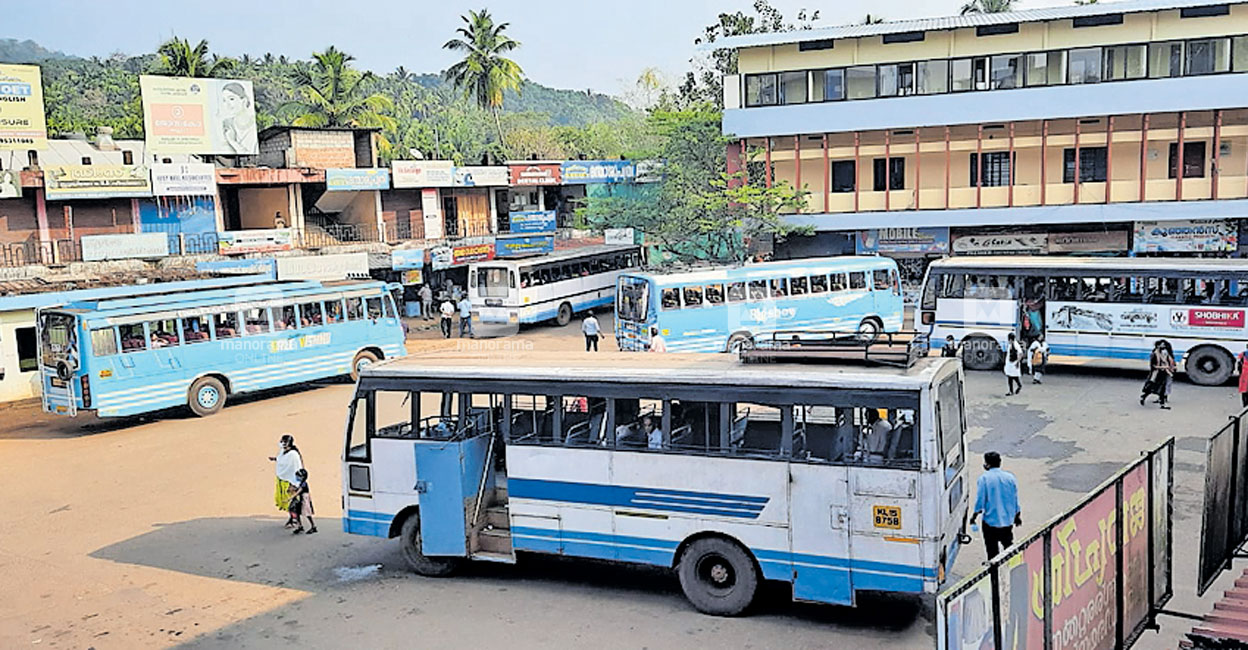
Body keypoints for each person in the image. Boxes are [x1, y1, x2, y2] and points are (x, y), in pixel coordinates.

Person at [268, 435, 303, 528]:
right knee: (287, 503)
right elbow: (282, 460)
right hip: (282, 480)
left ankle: (296, 522)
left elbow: (297, 468)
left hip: (290, 482)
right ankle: (292, 520)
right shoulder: (282, 452)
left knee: (292, 503)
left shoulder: (294, 455)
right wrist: (275, 459)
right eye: (281, 441)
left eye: (284, 441)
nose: (282, 443)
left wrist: (295, 484)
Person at [220, 81, 257, 154]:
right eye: (224, 100)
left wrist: (233, 142)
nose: (227, 104)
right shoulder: (227, 125)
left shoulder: (255, 126)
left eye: (231, 99)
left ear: (244, 101)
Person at [1142, 340, 1176, 409]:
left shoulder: (1165, 354)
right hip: (1157, 374)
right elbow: (1153, 366)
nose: (1163, 347)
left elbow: (1170, 362)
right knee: (1151, 387)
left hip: (1164, 373)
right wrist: (1164, 367)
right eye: (1162, 345)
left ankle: (1162, 403)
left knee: (1162, 389)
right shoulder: (1155, 354)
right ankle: (1144, 397)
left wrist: (1170, 368)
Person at [287, 468, 317, 535]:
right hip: (301, 499)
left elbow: (299, 491)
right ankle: (300, 526)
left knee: (307, 513)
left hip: (305, 499)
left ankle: (313, 526)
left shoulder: (304, 484)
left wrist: (291, 497)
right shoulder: (301, 483)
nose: (297, 477)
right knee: (297, 512)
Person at [1239, 343, 1248, 408]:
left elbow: (1239, 366)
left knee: (1244, 391)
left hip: (1244, 375)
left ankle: (1245, 405)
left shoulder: (1243, 354)